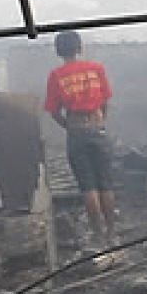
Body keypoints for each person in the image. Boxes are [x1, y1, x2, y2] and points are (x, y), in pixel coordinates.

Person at [43, 31, 117, 247]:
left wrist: (68, 126)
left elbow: (53, 110)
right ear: (79, 47)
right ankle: (112, 233)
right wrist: (100, 122)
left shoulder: (56, 76)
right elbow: (105, 102)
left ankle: (98, 235)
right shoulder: (97, 69)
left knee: (88, 187)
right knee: (106, 184)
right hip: (98, 128)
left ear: (59, 51)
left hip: (76, 132)